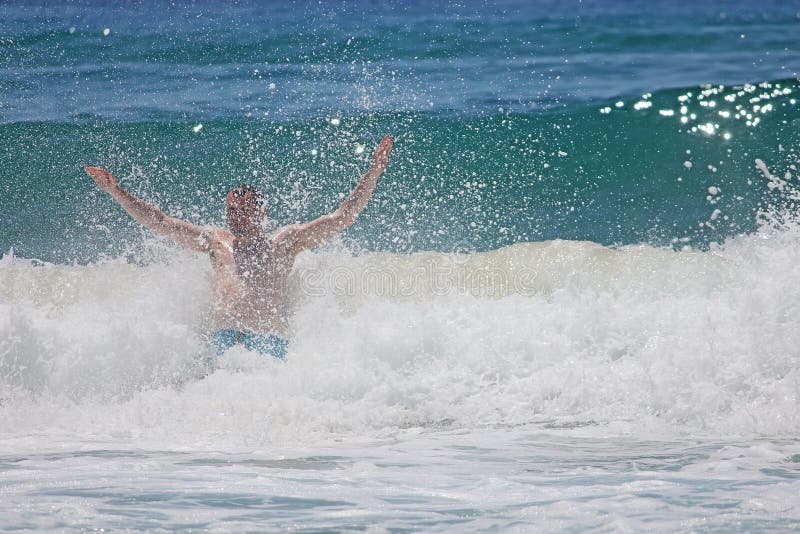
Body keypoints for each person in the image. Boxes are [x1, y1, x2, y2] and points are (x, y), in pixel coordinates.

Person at [84, 135, 393, 359]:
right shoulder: (216, 242)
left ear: (261, 212)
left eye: (243, 210)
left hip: (269, 341)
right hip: (222, 340)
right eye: (231, 210)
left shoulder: (284, 242)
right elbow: (160, 222)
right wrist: (115, 191)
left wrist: (374, 171)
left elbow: (342, 218)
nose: (235, 217)